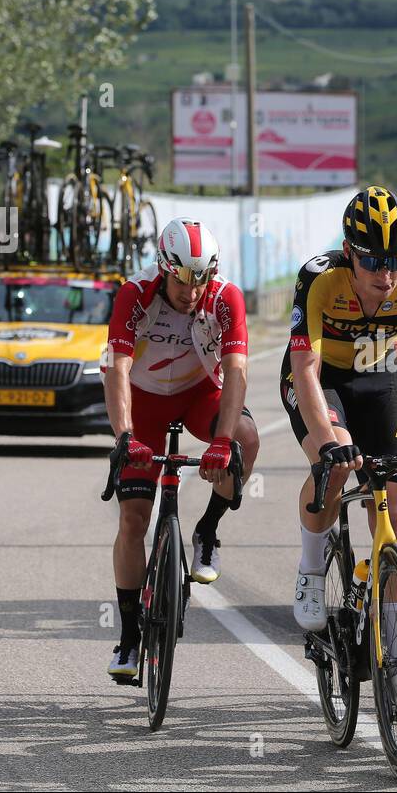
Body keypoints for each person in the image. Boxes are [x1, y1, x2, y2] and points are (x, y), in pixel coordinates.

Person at [283, 186, 397, 660]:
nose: (386, 274)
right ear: (348, 253)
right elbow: (305, 372)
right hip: (324, 379)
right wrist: (327, 443)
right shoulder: (318, 278)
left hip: (378, 375)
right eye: (372, 262)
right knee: (334, 465)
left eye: (396, 260)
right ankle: (312, 569)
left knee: (394, 506)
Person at [102, 218, 259, 680]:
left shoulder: (225, 296)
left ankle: (207, 530)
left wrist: (223, 442)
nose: (192, 291)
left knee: (245, 440)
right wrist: (125, 436)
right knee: (133, 520)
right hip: (143, 400)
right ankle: (129, 638)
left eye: (201, 280)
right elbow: (116, 367)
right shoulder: (135, 294)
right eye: (181, 280)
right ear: (163, 268)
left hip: (198, 394)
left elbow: (236, 371)